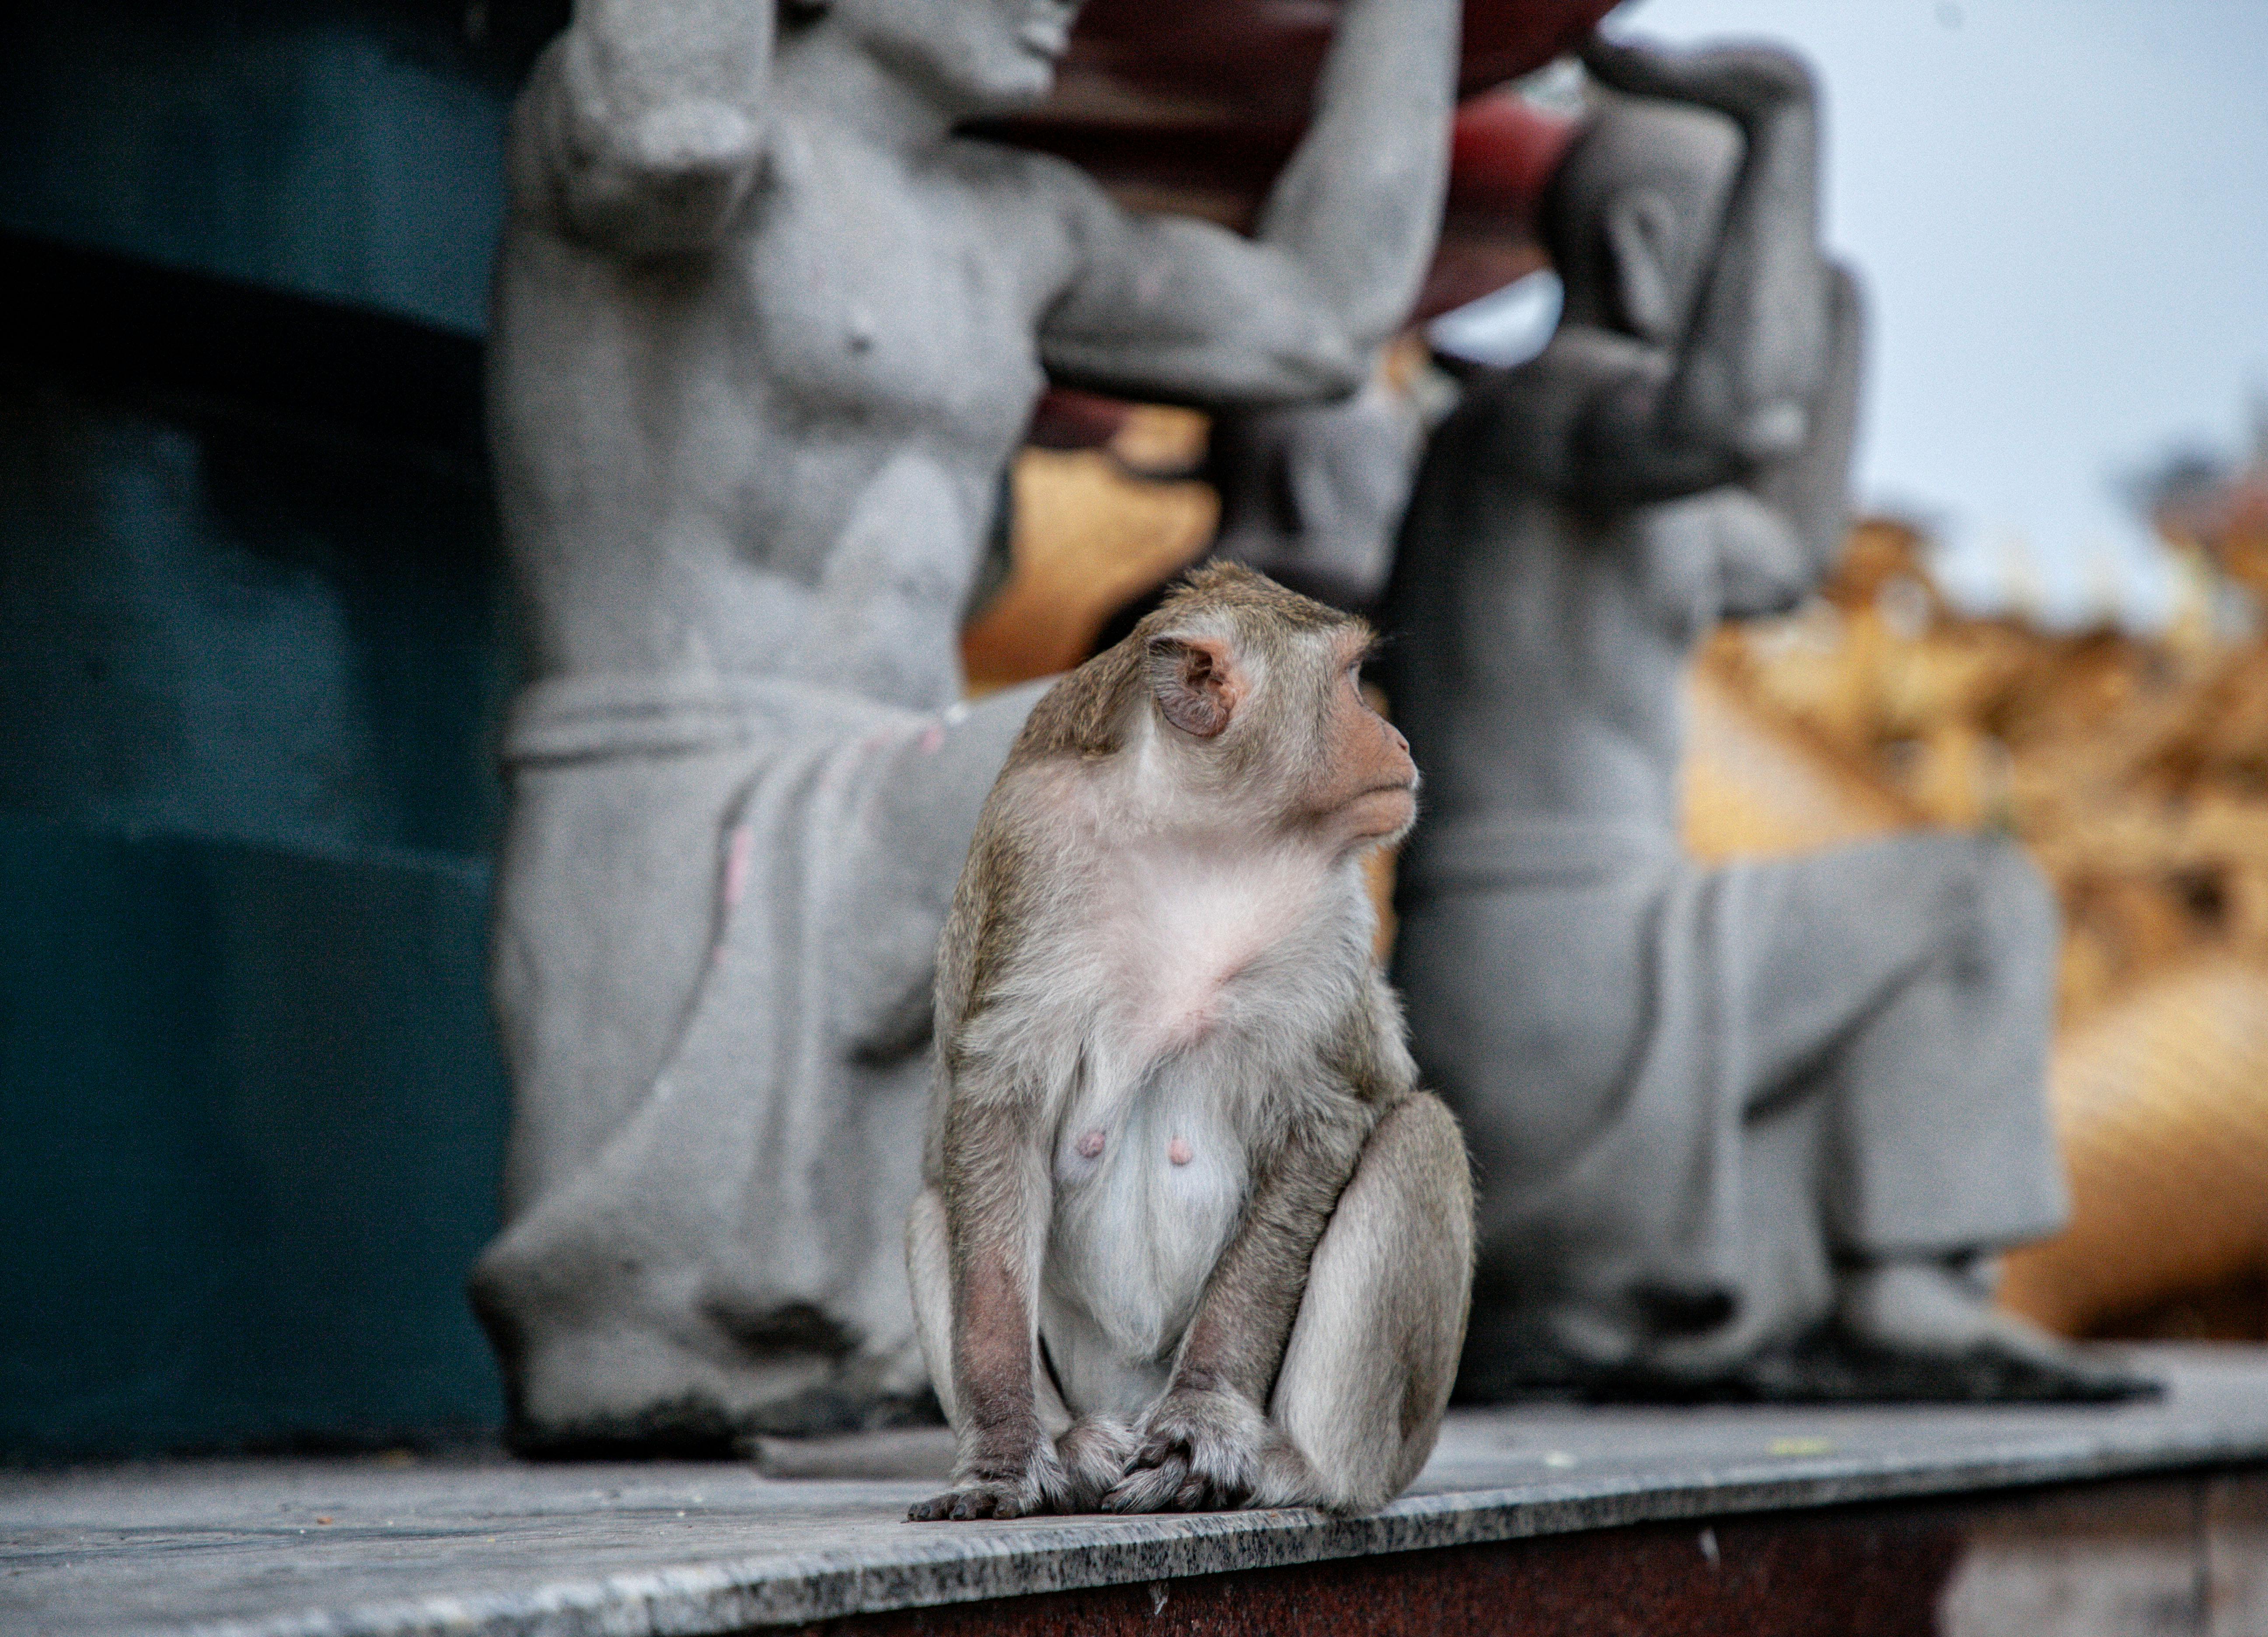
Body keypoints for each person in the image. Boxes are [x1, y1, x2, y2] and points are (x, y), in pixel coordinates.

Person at [469, 0, 1461, 1449]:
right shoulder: (693, 133)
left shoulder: (1017, 222)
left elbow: (1320, 320)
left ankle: (1198, 1360)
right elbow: (659, 135)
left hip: (915, 795)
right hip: (681, 787)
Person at [1383, 41, 2151, 1401]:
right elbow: (1736, 415)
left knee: (1905, 935)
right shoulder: (1533, 425)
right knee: (1974, 896)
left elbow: (1788, 551)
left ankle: (1845, 1293)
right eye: (1748, 252)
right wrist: (1789, 116)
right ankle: (1903, 1295)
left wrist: (1827, 300)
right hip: (1555, 976)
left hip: (1557, 982)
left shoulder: (1599, 472)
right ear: (1639, 245)